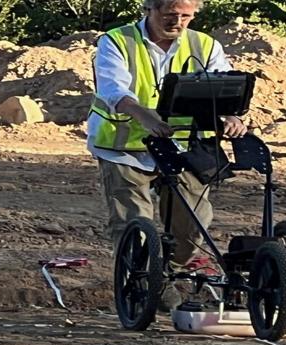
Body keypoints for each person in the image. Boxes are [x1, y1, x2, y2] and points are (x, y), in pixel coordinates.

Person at [89, 0, 248, 307]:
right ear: (149, 9)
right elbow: (113, 90)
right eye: (170, 15)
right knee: (132, 221)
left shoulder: (204, 46)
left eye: (186, 16)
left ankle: (163, 274)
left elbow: (223, 88)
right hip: (124, 147)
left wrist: (231, 116)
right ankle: (142, 288)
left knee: (193, 223)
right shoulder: (117, 41)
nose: (178, 22)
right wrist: (144, 116)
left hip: (183, 147)